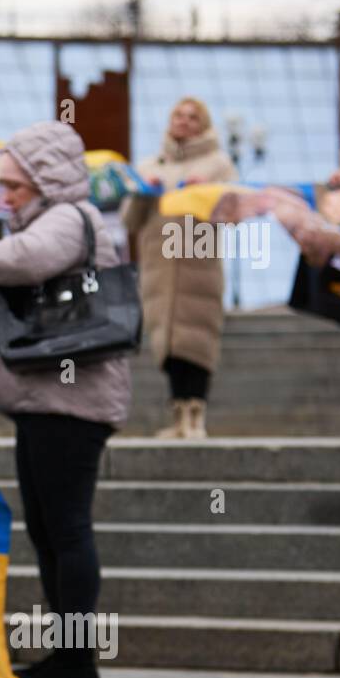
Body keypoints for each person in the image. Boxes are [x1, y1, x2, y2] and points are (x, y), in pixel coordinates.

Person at [0, 121, 132, 678]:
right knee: (50, 530)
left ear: (46, 180)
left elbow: (24, 261)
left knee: (67, 529)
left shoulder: (67, 217)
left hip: (73, 404)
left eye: (15, 186)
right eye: (2, 186)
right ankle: (66, 655)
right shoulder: (38, 220)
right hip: (46, 400)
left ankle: (78, 664)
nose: (4, 196)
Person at [122, 96, 237, 438]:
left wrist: (211, 193)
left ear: (203, 124)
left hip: (198, 265)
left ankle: (196, 414)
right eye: (179, 115)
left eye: (192, 117)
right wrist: (144, 193)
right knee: (167, 340)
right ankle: (178, 416)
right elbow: (131, 220)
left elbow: (233, 214)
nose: (184, 121)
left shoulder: (219, 164)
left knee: (197, 339)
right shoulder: (149, 166)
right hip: (159, 267)